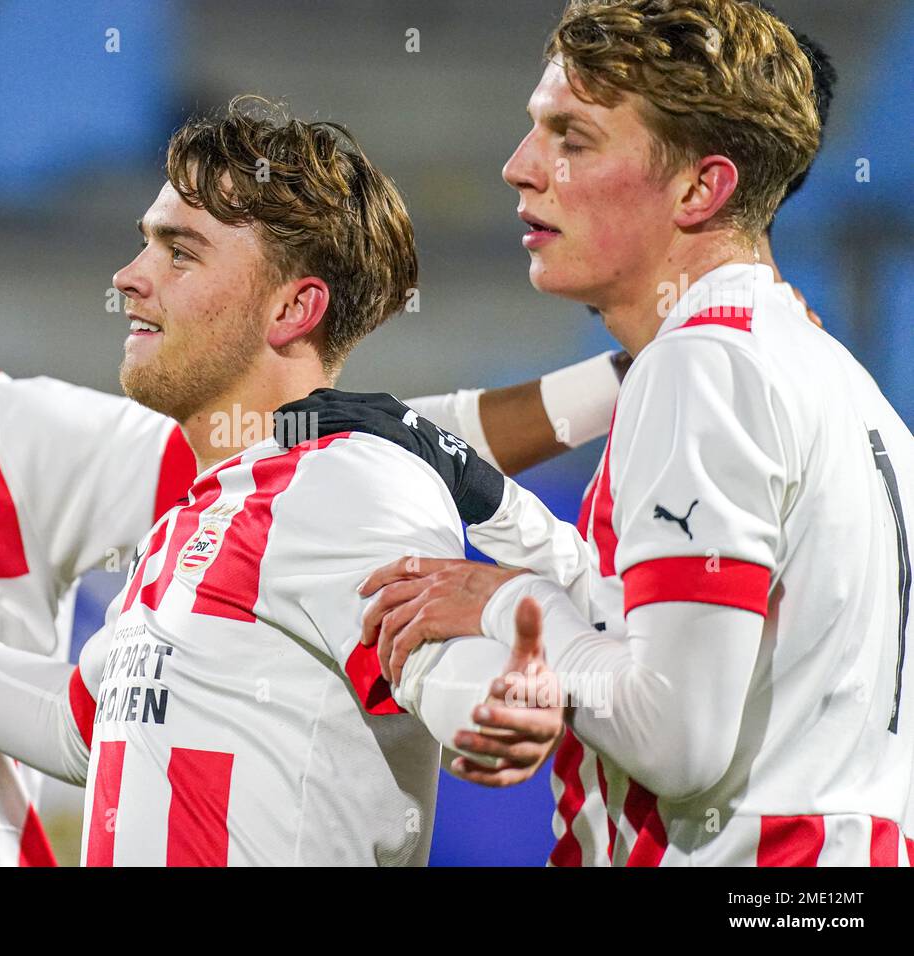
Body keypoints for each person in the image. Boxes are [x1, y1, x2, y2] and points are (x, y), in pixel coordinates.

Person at [0, 56, 619, 866]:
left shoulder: (336, 481)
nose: (129, 276)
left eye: (177, 252)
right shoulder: (199, 513)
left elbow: (423, 622)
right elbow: (86, 717)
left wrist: (491, 700)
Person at [358, 0, 914, 866]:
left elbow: (676, 738)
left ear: (701, 187)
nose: (519, 167)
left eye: (571, 138)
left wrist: (503, 602)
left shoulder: (702, 367)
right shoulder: (842, 382)